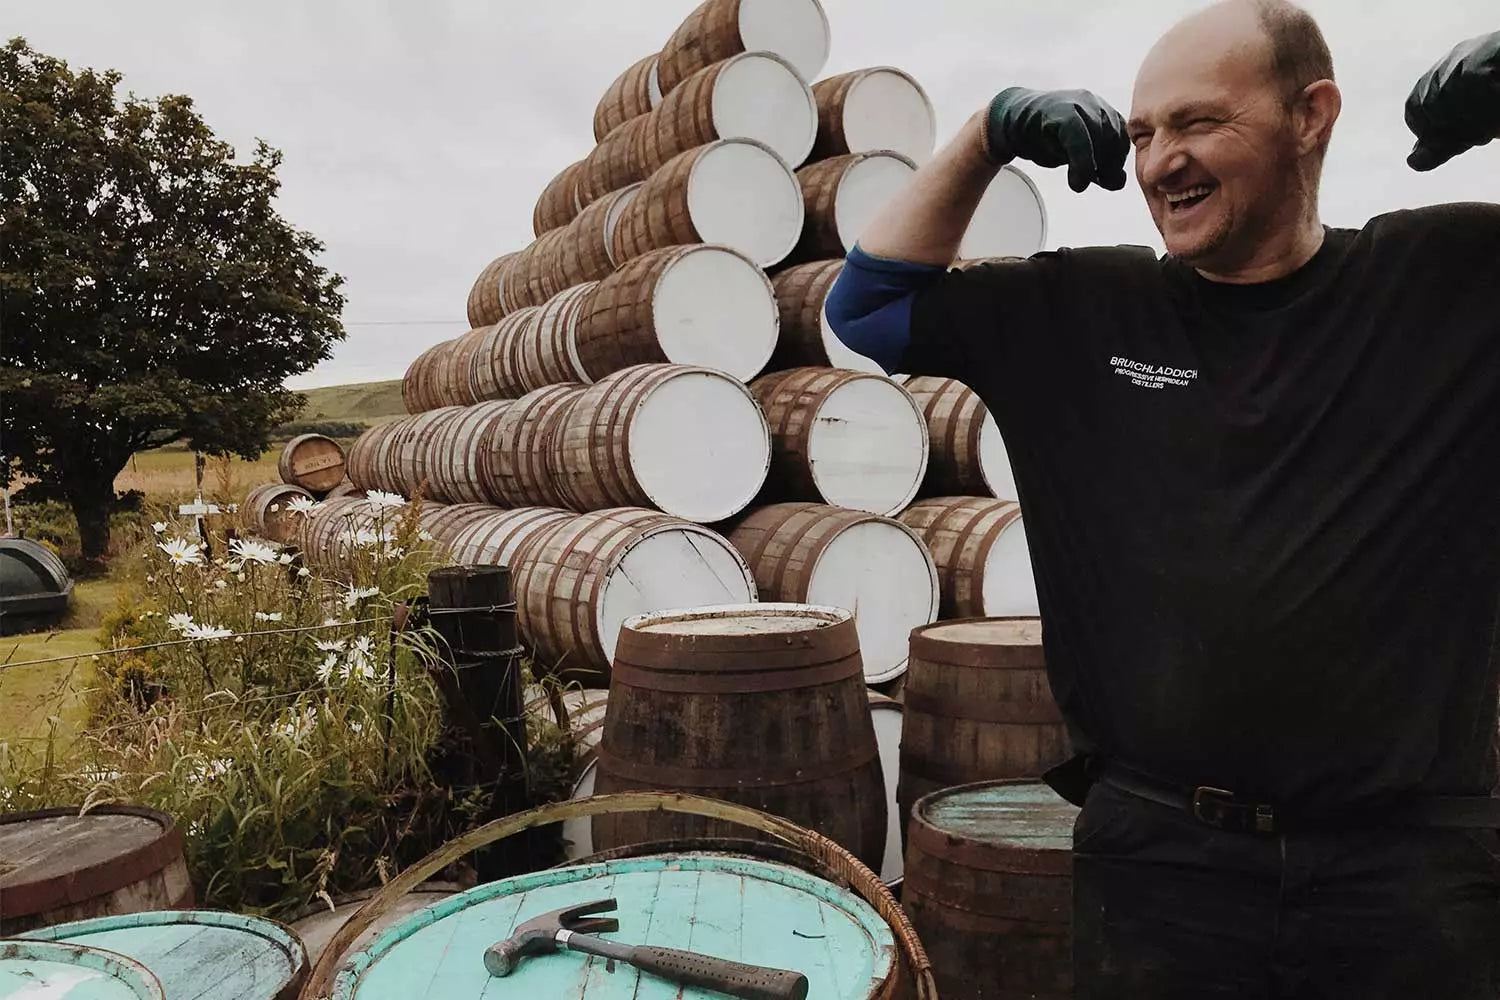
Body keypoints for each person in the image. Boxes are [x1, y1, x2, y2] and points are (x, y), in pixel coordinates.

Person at [824, 2, 1500, 997]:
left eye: (1197, 124)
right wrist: (989, 132)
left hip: (1406, 870)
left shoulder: (1440, 282)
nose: (1157, 162)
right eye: (1142, 133)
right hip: (1162, 863)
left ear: (1311, 114)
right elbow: (866, 307)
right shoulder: (1085, 310)